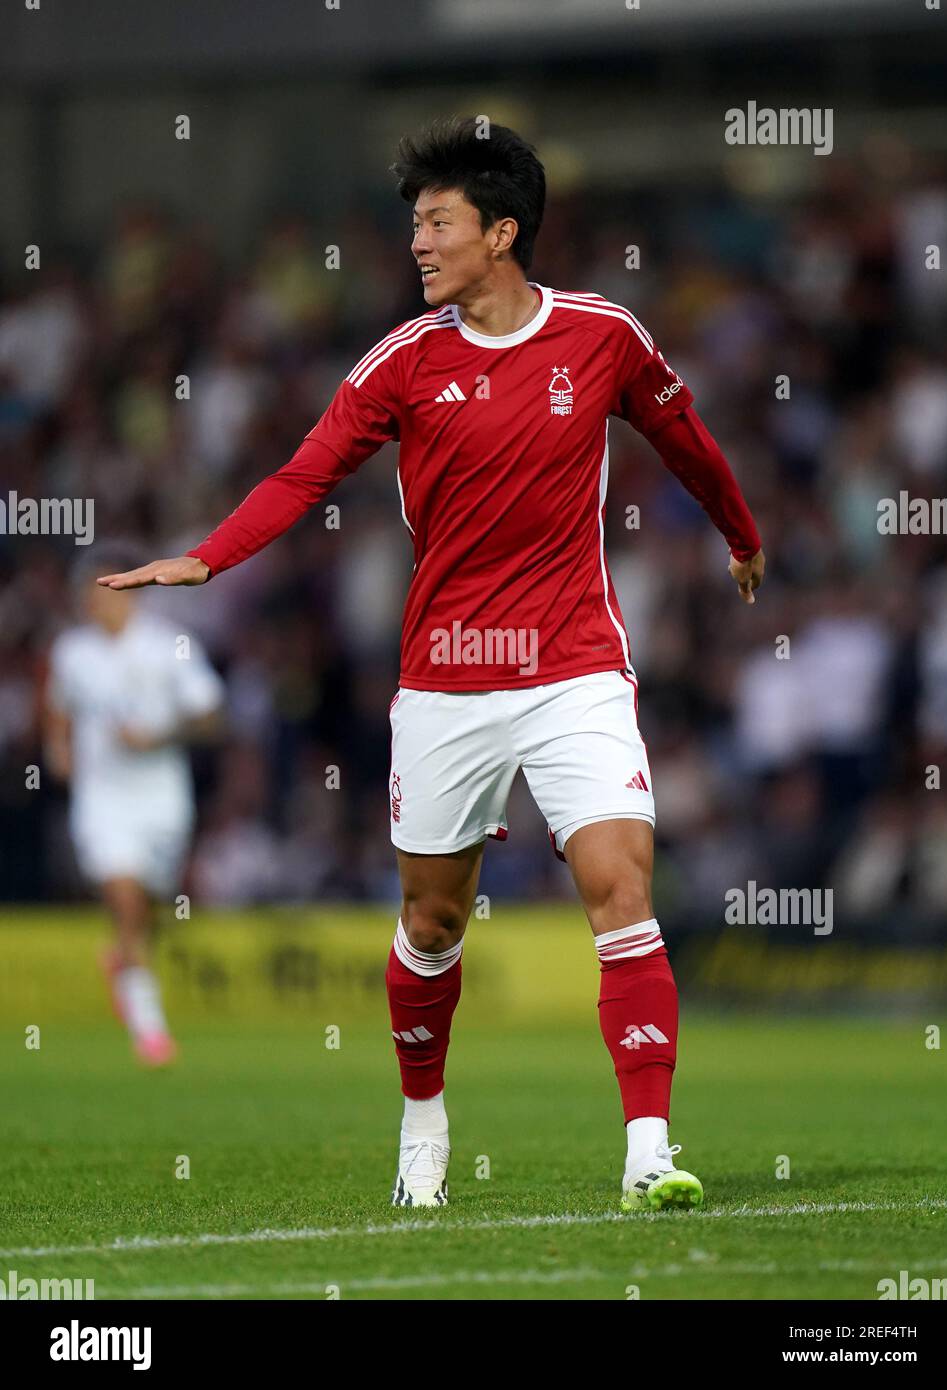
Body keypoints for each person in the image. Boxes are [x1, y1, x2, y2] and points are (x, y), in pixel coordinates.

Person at [98, 117, 764, 1206]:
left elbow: (683, 438)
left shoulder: (602, 337)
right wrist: (207, 559)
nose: (418, 241)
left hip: (574, 664)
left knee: (618, 884)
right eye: (414, 222)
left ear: (501, 233)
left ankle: (649, 1147)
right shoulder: (402, 363)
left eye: (437, 221)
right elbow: (302, 475)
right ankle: (422, 1122)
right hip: (448, 676)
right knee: (432, 921)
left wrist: (740, 533)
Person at [46, 546, 224, 1065]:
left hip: (162, 798)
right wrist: (57, 750)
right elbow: (58, 707)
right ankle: (150, 1029)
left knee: (150, 906)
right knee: (123, 895)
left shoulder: (170, 645)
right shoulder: (72, 651)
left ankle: (121, 957)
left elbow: (211, 714)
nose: (97, 603)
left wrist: (159, 735)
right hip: (102, 797)